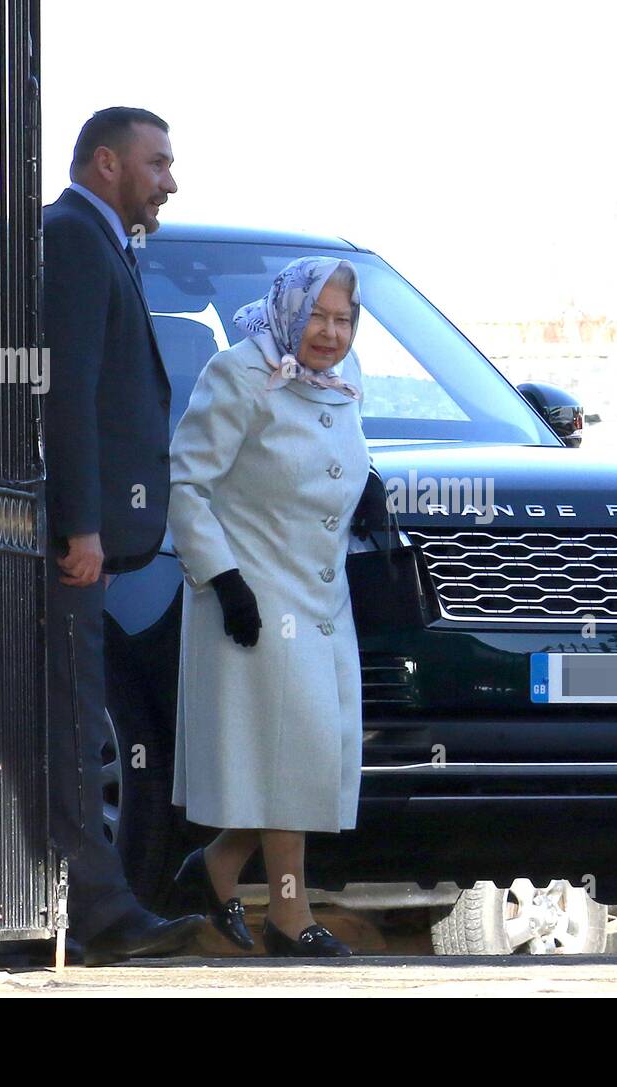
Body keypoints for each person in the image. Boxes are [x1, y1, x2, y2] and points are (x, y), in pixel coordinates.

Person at [168, 256, 389, 956]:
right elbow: (186, 483)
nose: (329, 332)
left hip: (321, 594)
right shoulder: (240, 372)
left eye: (343, 319)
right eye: (318, 315)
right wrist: (223, 580)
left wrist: (369, 488)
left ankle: (218, 866)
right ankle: (290, 915)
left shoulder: (343, 385)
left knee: (310, 755)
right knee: (291, 756)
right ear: (290, 310)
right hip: (254, 594)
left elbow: (331, 459)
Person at [42, 106, 208, 965]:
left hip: (106, 534)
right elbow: (66, 389)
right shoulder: (73, 234)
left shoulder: (99, 236)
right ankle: (101, 915)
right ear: (106, 162)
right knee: (72, 723)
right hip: (80, 538)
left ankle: (96, 907)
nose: (169, 180)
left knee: (71, 720)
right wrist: (82, 525)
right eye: (158, 162)